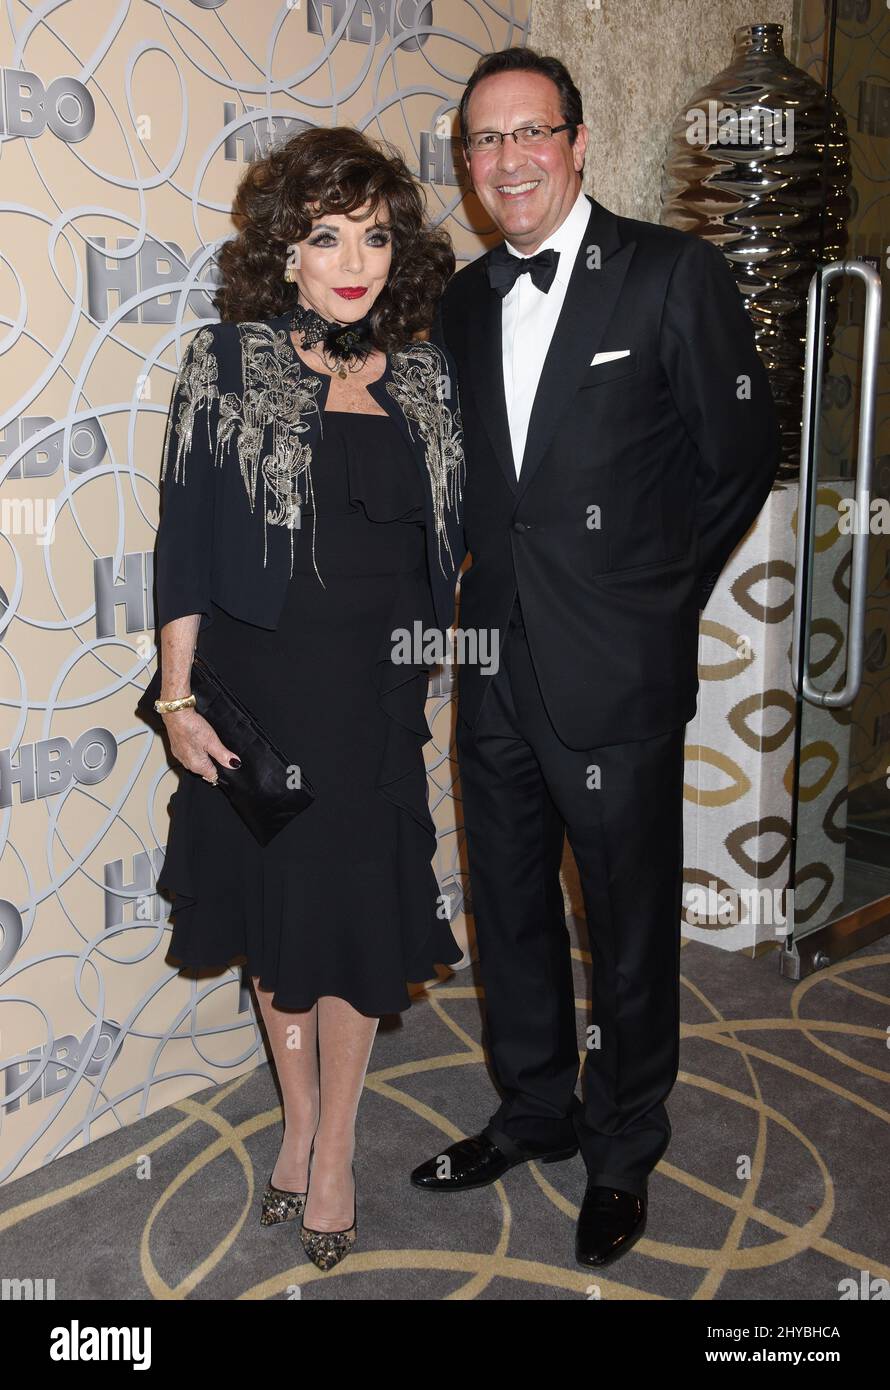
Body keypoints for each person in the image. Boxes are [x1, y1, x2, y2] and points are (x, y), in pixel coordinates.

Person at [410, 47, 782, 1267]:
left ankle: (623, 1148)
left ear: (574, 143)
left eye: (530, 133)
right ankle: (533, 1110)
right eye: (484, 141)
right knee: (511, 907)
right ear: (466, 166)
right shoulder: (462, 303)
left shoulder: (673, 276)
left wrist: (652, 600)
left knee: (623, 927)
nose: (508, 158)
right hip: (495, 668)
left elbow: (735, 458)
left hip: (613, 669)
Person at [149, 127, 466, 1271]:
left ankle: (335, 1142)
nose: (352, 258)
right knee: (282, 929)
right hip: (258, 691)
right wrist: (177, 698)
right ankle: (297, 1122)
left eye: (374, 235)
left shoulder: (427, 380)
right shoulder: (225, 361)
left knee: (352, 926)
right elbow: (184, 536)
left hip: (375, 700)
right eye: (324, 234)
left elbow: (456, 543)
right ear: (282, 251)